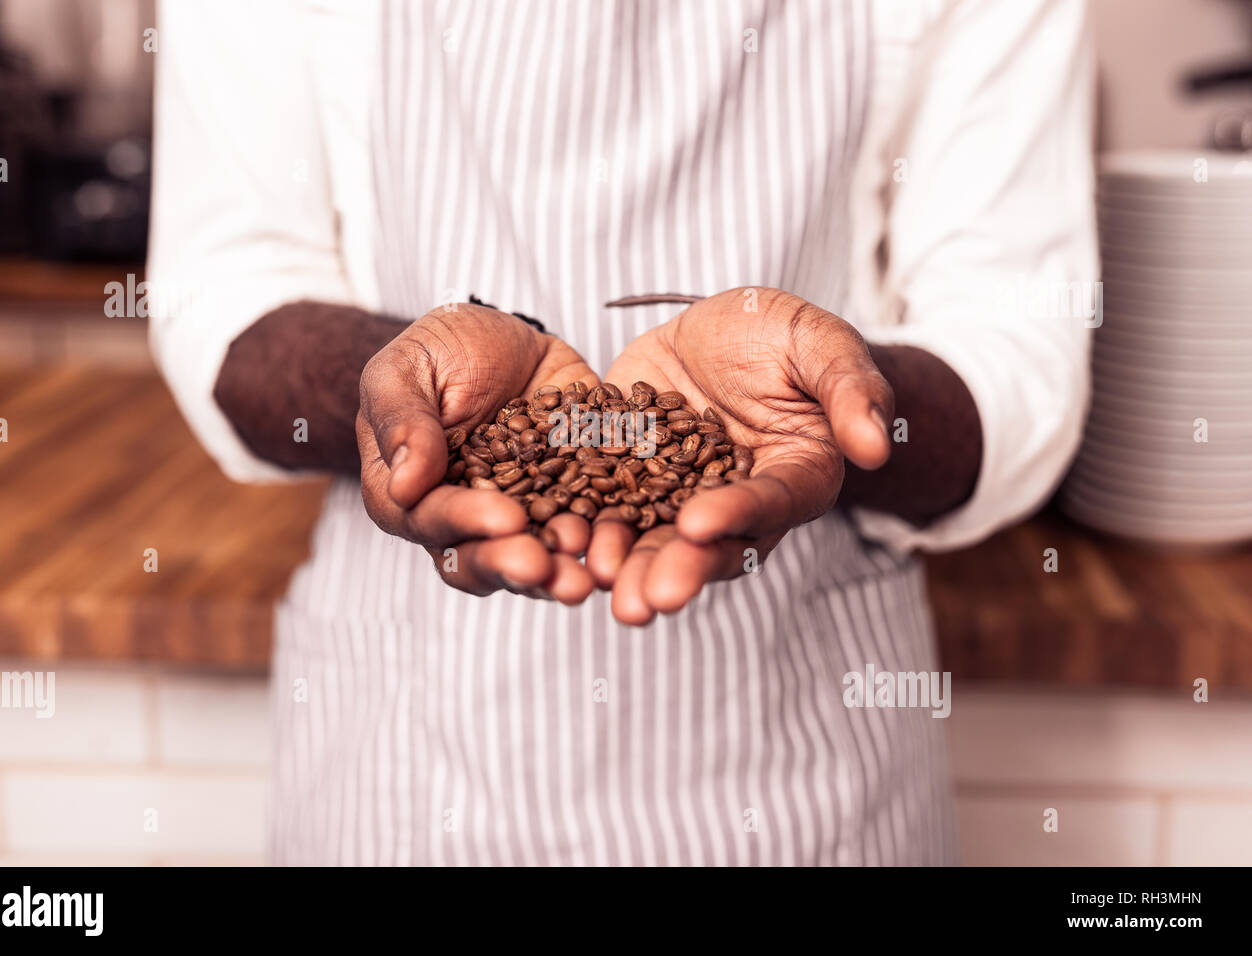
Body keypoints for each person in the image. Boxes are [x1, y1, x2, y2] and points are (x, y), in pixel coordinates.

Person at [148, 0, 1096, 865]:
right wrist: (399, 385)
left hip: (811, 778)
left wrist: (829, 398)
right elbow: (227, 292)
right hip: (405, 774)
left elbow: (1016, 360)